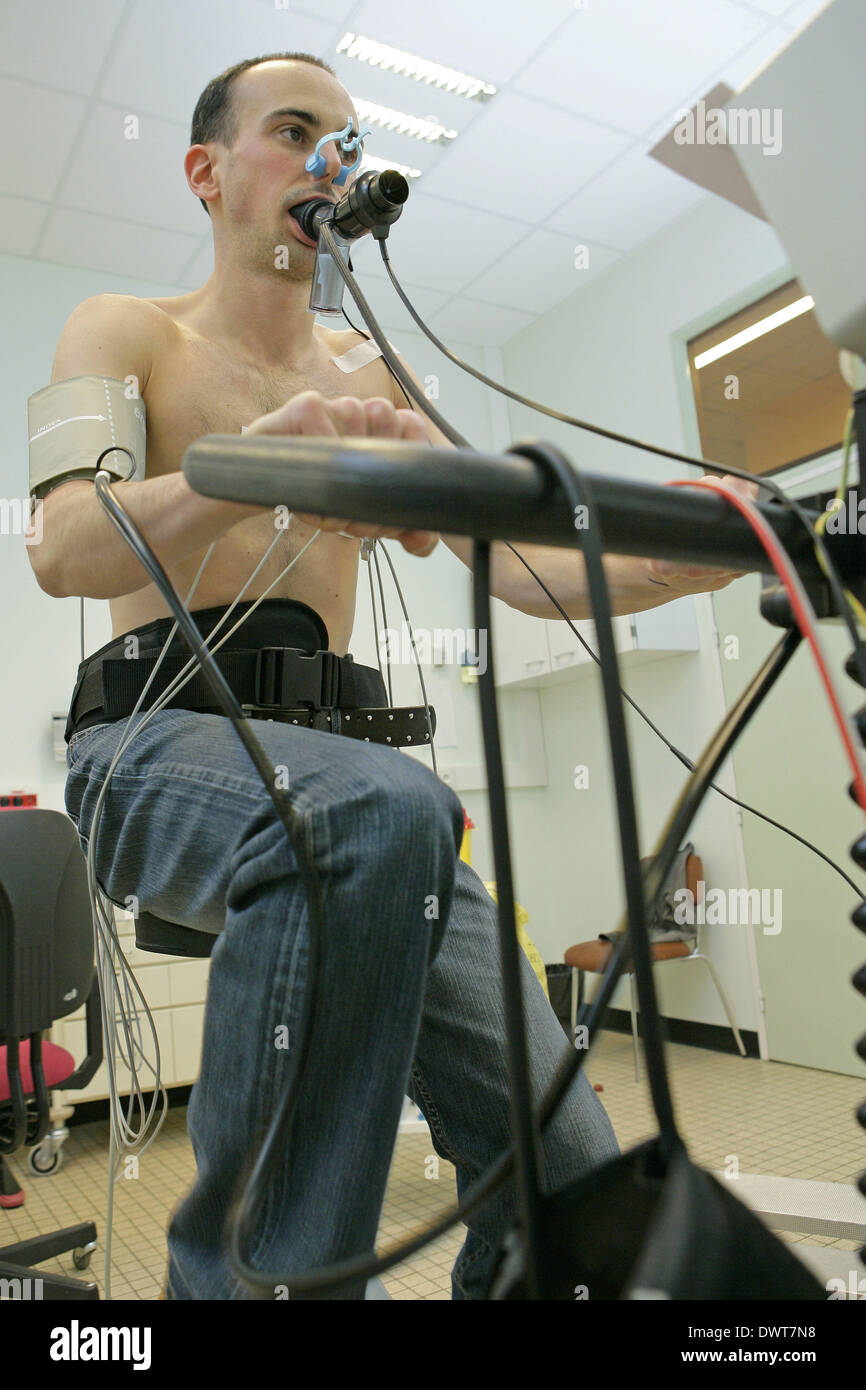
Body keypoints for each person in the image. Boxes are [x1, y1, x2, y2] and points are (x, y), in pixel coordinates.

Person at [28, 52, 756, 1300]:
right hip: (154, 740)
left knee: (567, 1176)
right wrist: (250, 463)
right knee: (373, 809)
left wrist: (661, 568)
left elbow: (512, 563)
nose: (330, 159)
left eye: (348, 142)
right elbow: (60, 545)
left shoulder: (374, 376)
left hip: (354, 785)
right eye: (293, 129)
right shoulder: (125, 328)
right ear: (205, 171)